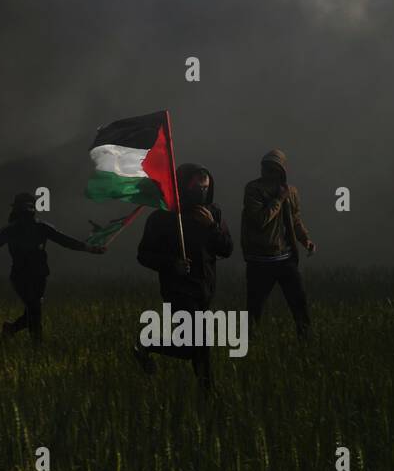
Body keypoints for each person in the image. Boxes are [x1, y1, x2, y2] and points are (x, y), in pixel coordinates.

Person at [0, 192, 105, 340]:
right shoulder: (10, 230)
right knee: (34, 309)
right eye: (24, 207)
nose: (27, 211)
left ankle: (11, 329)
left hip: (40, 275)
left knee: (33, 310)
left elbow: (67, 241)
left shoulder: (42, 227)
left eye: (29, 207)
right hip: (21, 276)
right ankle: (37, 346)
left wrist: (91, 249)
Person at [133, 163, 233, 391]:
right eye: (197, 187)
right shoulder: (162, 217)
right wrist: (172, 264)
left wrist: (212, 227)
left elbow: (227, 249)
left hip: (205, 289)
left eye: (206, 188)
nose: (202, 192)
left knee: (195, 347)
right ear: (183, 186)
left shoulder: (213, 213)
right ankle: (206, 394)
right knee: (196, 345)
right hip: (177, 289)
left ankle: (205, 395)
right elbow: (143, 254)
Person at [241, 148, 315, 339]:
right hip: (260, 260)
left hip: (286, 259)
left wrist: (305, 239)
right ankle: (249, 343)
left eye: (274, 169)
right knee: (254, 308)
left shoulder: (291, 192)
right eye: (266, 168)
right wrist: (279, 199)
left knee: (299, 303)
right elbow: (260, 220)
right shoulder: (253, 190)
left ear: (282, 171)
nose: (268, 173)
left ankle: (305, 340)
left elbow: (295, 219)